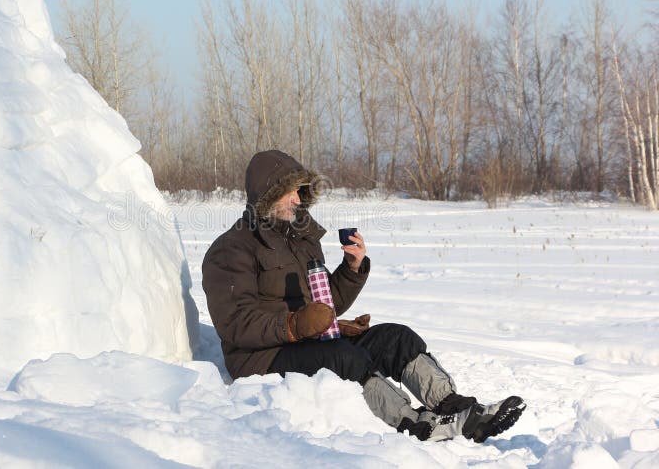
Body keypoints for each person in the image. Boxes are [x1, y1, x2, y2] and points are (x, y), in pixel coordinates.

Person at [201, 150, 525, 442]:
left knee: (395, 338)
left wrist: (351, 268)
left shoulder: (299, 239)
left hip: (310, 342)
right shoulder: (231, 249)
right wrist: (294, 325)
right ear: (267, 193)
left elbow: (326, 305)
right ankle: (415, 425)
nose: (298, 200)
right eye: (289, 192)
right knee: (343, 356)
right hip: (262, 358)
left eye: (301, 191)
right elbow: (235, 323)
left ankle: (460, 411)